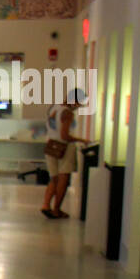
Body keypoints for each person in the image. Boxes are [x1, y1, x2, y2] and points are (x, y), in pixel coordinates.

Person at [41, 88, 90, 219]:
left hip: (51, 145)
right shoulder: (67, 113)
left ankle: (46, 205)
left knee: (54, 178)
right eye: (80, 103)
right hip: (64, 148)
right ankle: (56, 209)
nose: (79, 107)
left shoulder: (54, 108)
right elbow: (65, 136)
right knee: (63, 179)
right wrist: (82, 140)